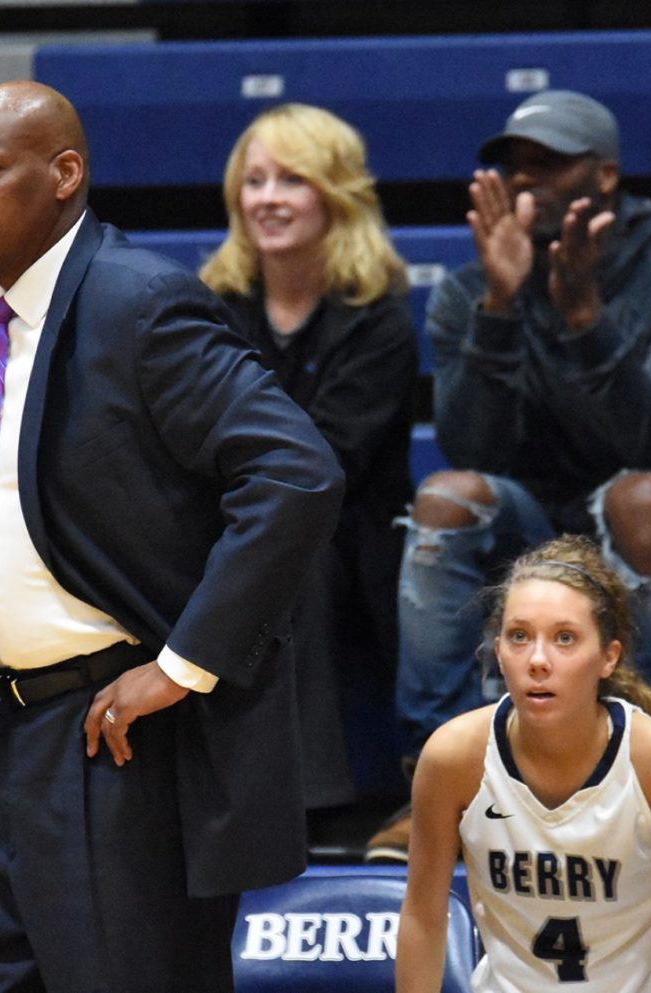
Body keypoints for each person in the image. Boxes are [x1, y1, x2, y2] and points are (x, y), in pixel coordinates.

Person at [0, 81, 343, 992]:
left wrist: (185, 660)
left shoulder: (141, 302)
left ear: (66, 174)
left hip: (112, 742)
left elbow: (296, 471)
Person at [378, 89, 651, 859]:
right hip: (536, 538)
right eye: (513, 167)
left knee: (639, 497)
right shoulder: (469, 288)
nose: (524, 183)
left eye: (547, 166)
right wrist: (500, 308)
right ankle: (436, 781)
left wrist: (585, 324)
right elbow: (469, 446)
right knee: (445, 500)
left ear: (603, 177)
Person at [396, 535, 651, 993]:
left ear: (608, 657)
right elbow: (422, 916)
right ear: (498, 650)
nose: (537, 660)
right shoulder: (454, 757)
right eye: (519, 636)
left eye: (564, 639)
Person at [200, 102, 418, 812]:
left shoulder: (376, 313)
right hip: (228, 512)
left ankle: (310, 803)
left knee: (297, 544)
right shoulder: (211, 304)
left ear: (335, 195)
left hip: (349, 536)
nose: (267, 199)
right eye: (254, 181)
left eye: (289, 180)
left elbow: (329, 458)